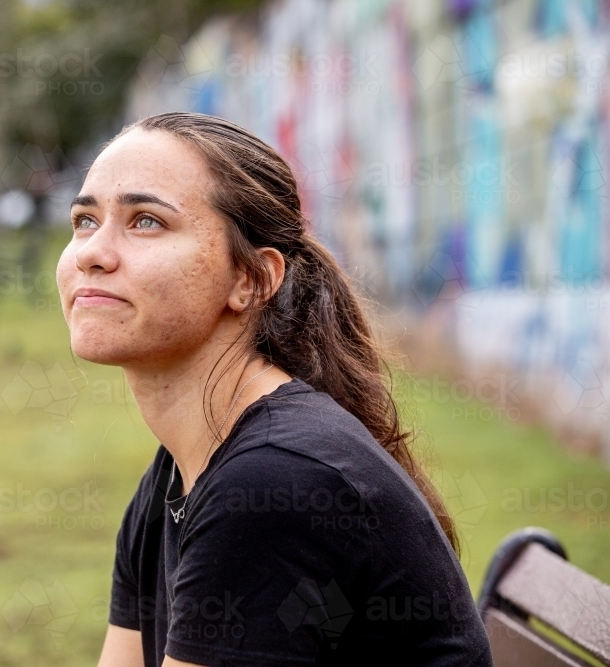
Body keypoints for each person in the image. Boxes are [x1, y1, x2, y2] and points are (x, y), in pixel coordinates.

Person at [55, 112, 492, 667]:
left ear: (252, 279)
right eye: (85, 220)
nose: (93, 252)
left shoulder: (274, 486)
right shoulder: (178, 472)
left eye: (146, 222)